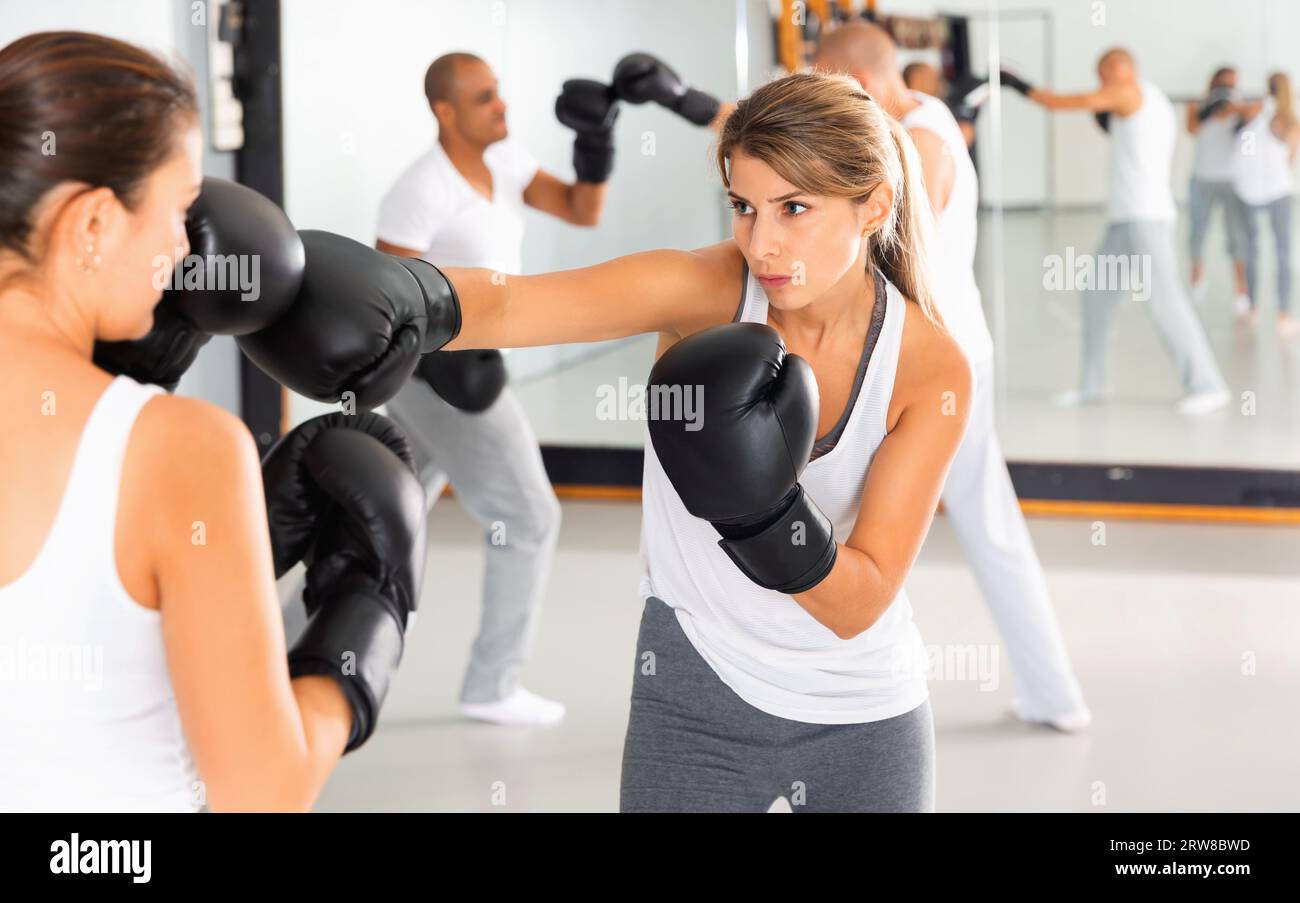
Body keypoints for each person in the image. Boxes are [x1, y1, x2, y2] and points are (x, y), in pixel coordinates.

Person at [399, 69, 972, 812]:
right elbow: (511, 307)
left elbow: (857, 602)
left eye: (794, 208)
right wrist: (363, 294)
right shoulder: (709, 291)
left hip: (861, 709)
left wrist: (757, 511)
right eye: (743, 206)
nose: (762, 242)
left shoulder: (929, 367)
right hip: (692, 692)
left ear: (875, 208)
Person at [0, 31, 428, 811]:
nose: (180, 247)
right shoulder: (178, 449)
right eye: (176, 209)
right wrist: (369, 604)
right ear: (92, 222)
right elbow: (263, 793)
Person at [814, 22, 1090, 731]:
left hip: (937, 367)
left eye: (830, 89)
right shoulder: (908, 130)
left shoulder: (923, 138)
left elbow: (902, 245)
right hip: (932, 357)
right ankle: (1053, 693)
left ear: (866, 86)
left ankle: (848, 698)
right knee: (966, 519)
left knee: (886, 527)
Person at [372, 52, 622, 727]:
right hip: (443, 381)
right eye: (485, 98)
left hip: (469, 372)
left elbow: (580, 210)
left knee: (386, 515)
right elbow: (388, 298)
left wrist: (596, 143)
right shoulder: (420, 189)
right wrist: (437, 361)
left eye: (499, 92)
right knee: (532, 516)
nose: (503, 107)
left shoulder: (507, 160)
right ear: (445, 112)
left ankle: (291, 649)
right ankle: (493, 683)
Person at [1002, 49, 1231, 415]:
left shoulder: (1128, 90)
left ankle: (1208, 385)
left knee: (1165, 303)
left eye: (1101, 76)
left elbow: (1060, 103)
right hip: (1125, 218)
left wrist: (1017, 84)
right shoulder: (1148, 98)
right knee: (1096, 296)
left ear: (1115, 69)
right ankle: (1094, 384)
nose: (1100, 85)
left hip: (1146, 218)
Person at [1230, 72, 1300, 336]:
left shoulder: (1252, 110)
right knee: (1283, 253)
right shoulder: (1288, 119)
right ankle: (1283, 315)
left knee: (1251, 249)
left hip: (1246, 190)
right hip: (1278, 191)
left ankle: (1252, 309)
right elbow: (1291, 157)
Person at [1186, 67, 1250, 311]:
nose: (1229, 90)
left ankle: (1241, 290)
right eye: (1225, 84)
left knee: (1236, 236)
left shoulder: (1241, 107)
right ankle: (1196, 279)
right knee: (1197, 232)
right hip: (1202, 179)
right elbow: (1192, 128)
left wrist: (1236, 111)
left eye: (1233, 85)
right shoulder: (1198, 105)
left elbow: (1249, 134)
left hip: (1232, 181)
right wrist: (1213, 110)